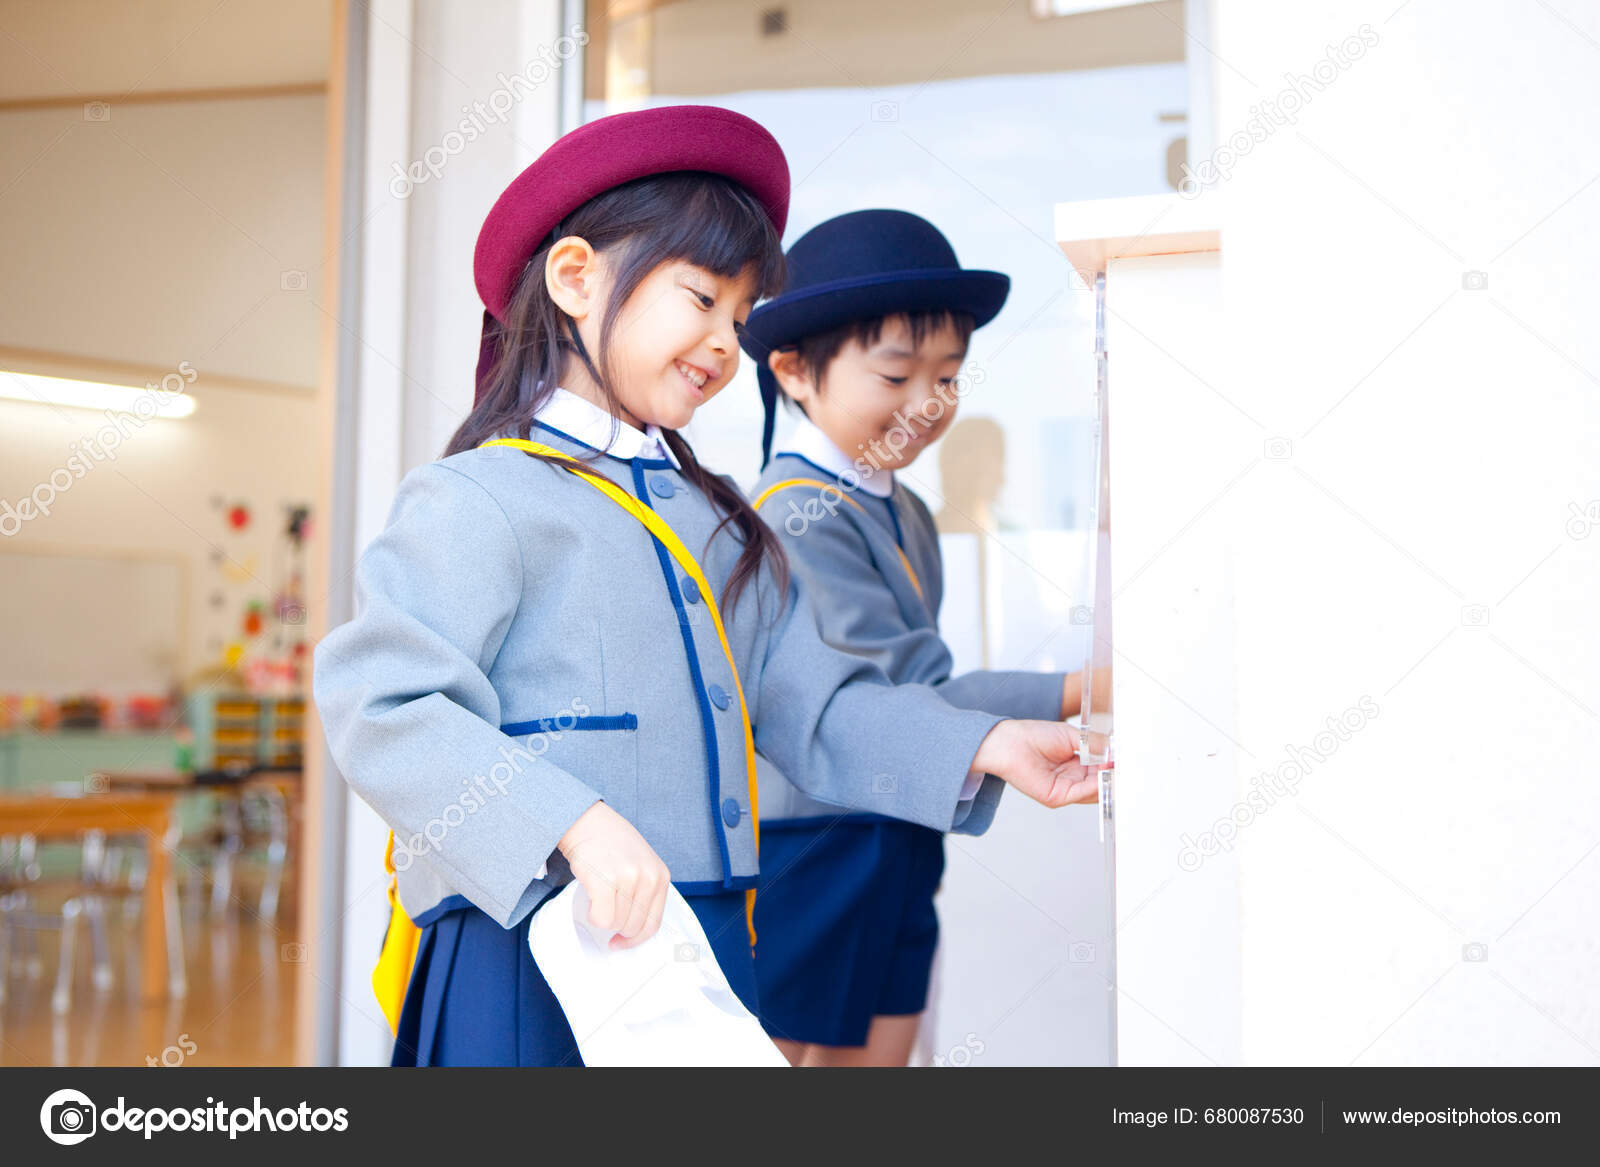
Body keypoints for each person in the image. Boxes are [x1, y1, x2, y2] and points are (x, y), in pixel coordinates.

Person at [313, 109, 1100, 1067]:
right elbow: (381, 703)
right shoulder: (478, 493)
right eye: (700, 300)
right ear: (575, 277)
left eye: (738, 317)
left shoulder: (720, 523)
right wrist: (572, 821)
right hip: (530, 958)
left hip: (706, 951)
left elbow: (818, 706)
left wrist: (987, 740)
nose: (725, 343)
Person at [741, 209, 1101, 1066]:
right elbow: (902, 697)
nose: (926, 404)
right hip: (819, 844)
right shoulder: (793, 512)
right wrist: (1084, 688)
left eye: (948, 376)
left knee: (884, 1059)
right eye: (896, 373)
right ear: (792, 370)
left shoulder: (901, 504)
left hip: (896, 825)